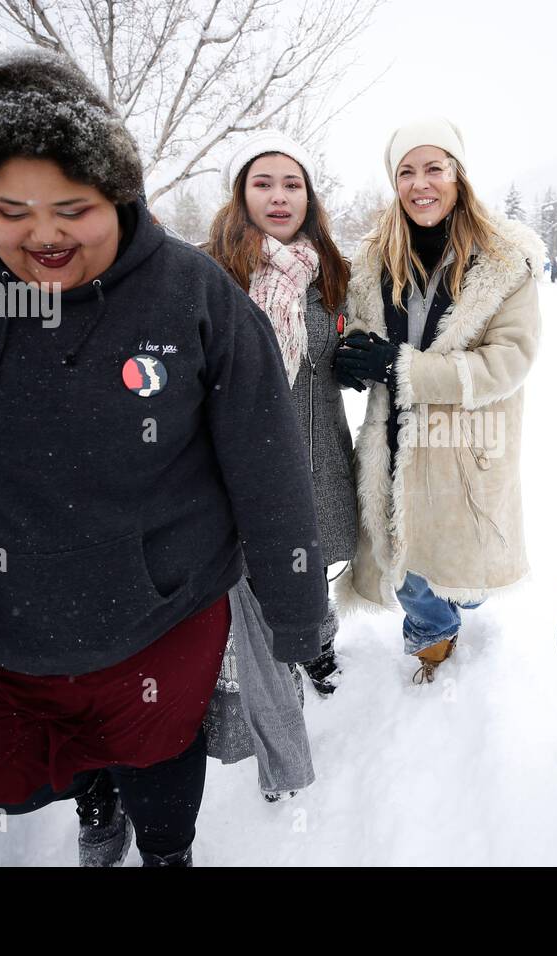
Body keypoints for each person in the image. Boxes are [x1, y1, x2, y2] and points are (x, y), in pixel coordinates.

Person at [0, 51, 327, 867]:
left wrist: (297, 609)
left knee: (157, 746)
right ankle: (94, 791)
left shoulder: (193, 297)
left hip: (158, 610)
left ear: (116, 193)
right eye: (10, 209)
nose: (42, 234)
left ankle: (164, 851)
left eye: (72, 208)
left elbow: (268, 463)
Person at [334, 118, 544, 683]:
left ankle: (460, 608)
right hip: (396, 437)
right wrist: (354, 357)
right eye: (406, 171)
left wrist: (400, 368)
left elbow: (508, 362)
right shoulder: (375, 260)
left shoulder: (504, 262)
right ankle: (432, 638)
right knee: (404, 558)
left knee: (461, 564)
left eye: (434, 167)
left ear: (458, 174)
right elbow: (358, 326)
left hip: (466, 444)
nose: (420, 183)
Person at [208, 130, 358, 701]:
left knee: (309, 558)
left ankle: (316, 646)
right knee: (247, 568)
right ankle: (258, 668)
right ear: (240, 195)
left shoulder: (331, 274)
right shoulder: (213, 274)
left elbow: (339, 343)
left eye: (292, 184)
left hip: (315, 452)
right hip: (240, 457)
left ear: (309, 197)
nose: (279, 196)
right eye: (262, 183)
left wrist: (358, 360)